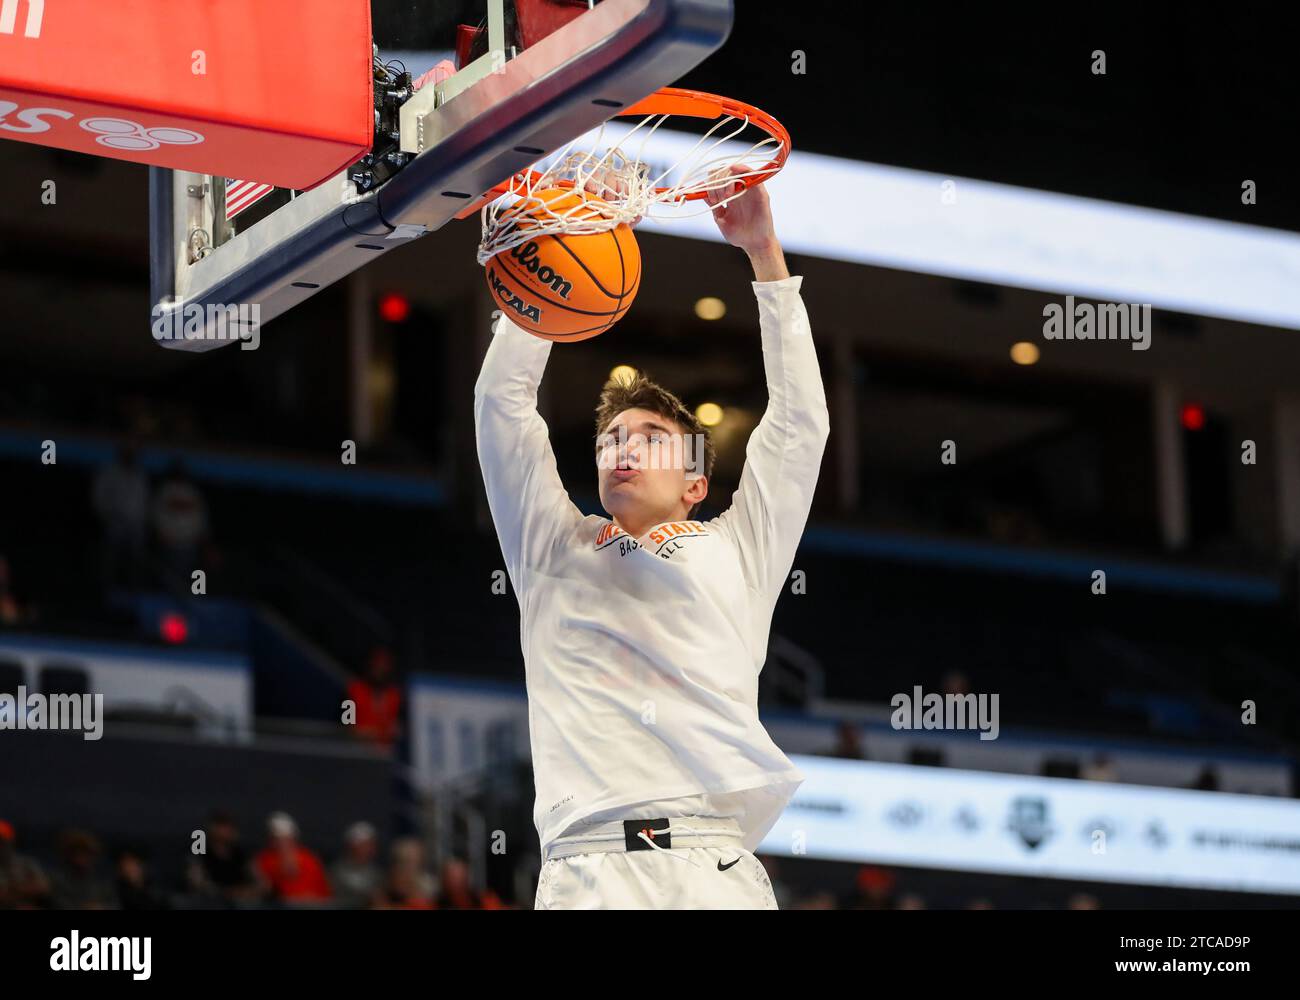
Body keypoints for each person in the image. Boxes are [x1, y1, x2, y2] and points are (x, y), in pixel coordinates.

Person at [474, 166, 830, 909]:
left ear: (697, 484)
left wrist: (765, 255)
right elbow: (501, 404)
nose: (621, 449)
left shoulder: (738, 550)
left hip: (711, 868)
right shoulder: (549, 545)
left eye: (649, 438)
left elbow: (799, 431)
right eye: (609, 441)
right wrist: (553, 256)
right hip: (585, 870)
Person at [92, 444, 151, 589]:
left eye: (133, 455)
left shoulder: (139, 474)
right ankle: (107, 588)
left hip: (136, 524)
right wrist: (107, 515)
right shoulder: (110, 473)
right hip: (116, 522)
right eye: (128, 454)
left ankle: (132, 588)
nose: (131, 458)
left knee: (135, 560)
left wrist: (144, 520)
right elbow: (98, 497)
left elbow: (144, 499)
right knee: (112, 558)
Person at [254, 812, 330, 905]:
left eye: (286, 839)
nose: (281, 843)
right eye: (276, 839)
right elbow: (264, 890)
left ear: (293, 839)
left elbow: (323, 893)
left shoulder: (309, 858)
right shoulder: (264, 860)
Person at [345, 647, 402, 748]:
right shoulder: (354, 690)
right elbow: (347, 727)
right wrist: (376, 733)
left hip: (384, 754)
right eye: (376, 666)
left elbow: (397, 728)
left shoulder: (394, 695)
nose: (379, 671)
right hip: (357, 750)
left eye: (383, 667)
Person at [329, 822, 383, 909]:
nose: (367, 849)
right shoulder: (336, 871)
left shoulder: (377, 874)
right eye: (363, 845)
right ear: (351, 846)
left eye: (370, 845)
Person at [0, 820, 49, 909]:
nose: (1, 846)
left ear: (11, 841)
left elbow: (43, 887)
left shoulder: (27, 863)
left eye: (2, 841)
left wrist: (16, 890)